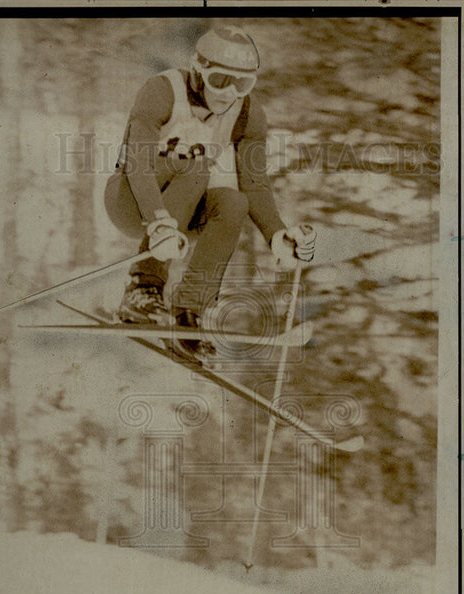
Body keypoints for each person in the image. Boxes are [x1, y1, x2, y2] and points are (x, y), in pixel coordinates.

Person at [104, 24, 316, 362]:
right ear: (198, 70)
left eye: (242, 84)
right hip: (132, 199)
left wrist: (276, 234)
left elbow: (255, 183)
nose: (229, 93)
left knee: (234, 202)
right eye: (220, 80)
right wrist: (158, 221)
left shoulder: (247, 112)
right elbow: (137, 163)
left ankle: (187, 313)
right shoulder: (162, 90)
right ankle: (143, 289)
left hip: (181, 213)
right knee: (197, 166)